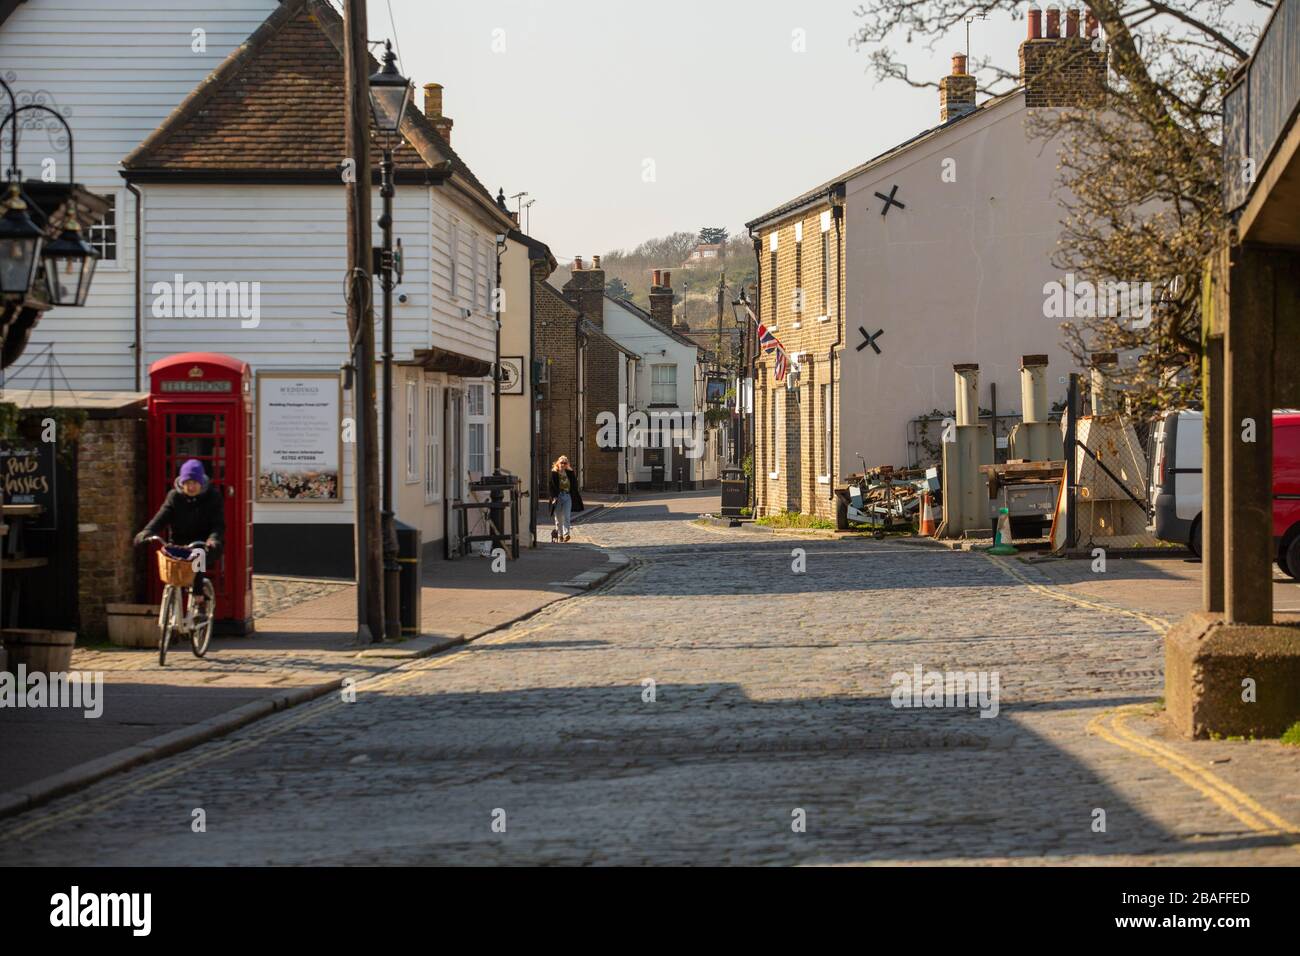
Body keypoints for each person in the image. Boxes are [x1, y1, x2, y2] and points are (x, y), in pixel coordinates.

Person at [135, 459, 225, 612]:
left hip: (205, 542)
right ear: (181, 483)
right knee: (171, 564)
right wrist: (147, 532)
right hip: (180, 542)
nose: (191, 487)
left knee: (199, 554)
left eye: (194, 482)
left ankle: (199, 596)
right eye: (187, 482)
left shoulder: (212, 497)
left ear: (201, 482)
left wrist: (213, 539)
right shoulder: (175, 497)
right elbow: (161, 517)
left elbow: (218, 524)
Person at [548, 455, 584, 543]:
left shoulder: (569, 473)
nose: (563, 464)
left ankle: (566, 534)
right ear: (558, 463)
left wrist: (572, 472)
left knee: (567, 516)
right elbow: (551, 487)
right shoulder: (554, 473)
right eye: (561, 463)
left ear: (567, 464)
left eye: (565, 463)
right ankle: (559, 535)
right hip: (558, 497)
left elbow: (574, 485)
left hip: (567, 496)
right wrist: (553, 497)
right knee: (558, 518)